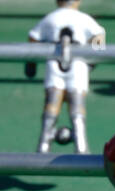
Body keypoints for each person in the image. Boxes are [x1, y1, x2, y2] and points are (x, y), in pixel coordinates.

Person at [27, 0, 105, 154]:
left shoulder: (50, 18)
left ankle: (44, 144)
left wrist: (31, 63)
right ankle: (81, 146)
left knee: (52, 102)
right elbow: (99, 35)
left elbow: (33, 38)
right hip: (77, 66)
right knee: (77, 104)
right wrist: (93, 59)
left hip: (54, 65)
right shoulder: (84, 19)